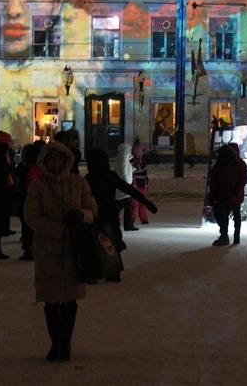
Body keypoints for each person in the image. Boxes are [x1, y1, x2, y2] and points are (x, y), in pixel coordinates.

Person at [24, 140, 98, 361]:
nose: (56, 163)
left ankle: (66, 342)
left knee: (71, 299)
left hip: (75, 249)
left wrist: (82, 215)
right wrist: (58, 230)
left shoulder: (78, 183)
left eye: (60, 159)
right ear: (45, 162)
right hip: (49, 250)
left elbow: (93, 209)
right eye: (52, 159)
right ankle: (55, 342)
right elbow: (31, 217)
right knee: (51, 299)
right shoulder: (38, 186)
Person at [84, 149, 158, 280]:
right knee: (113, 240)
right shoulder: (110, 176)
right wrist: (145, 201)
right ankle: (113, 272)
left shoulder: (89, 179)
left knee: (95, 242)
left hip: (96, 214)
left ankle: (94, 272)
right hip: (111, 213)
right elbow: (128, 188)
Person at [208, 144, 247, 246]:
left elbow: (241, 180)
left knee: (228, 215)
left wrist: (235, 191)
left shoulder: (233, 163)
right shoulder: (235, 163)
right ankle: (230, 236)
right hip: (231, 194)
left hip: (232, 195)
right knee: (230, 216)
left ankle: (231, 236)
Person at [16, 141, 43, 260]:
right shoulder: (38, 170)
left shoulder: (26, 169)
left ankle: (29, 249)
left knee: (27, 228)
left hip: (27, 202)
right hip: (35, 203)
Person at [115, 143, 136, 231]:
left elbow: (126, 168)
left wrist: (134, 168)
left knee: (126, 204)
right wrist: (126, 182)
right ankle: (127, 225)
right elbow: (123, 170)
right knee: (127, 204)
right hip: (123, 187)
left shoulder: (123, 158)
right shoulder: (123, 158)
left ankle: (127, 225)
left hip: (123, 188)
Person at [130, 141, 151, 225]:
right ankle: (131, 219)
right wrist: (133, 183)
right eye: (141, 151)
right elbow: (133, 173)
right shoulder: (133, 161)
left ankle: (144, 219)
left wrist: (147, 182)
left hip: (143, 185)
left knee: (143, 203)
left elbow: (144, 173)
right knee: (135, 204)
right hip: (137, 185)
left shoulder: (142, 160)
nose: (142, 153)